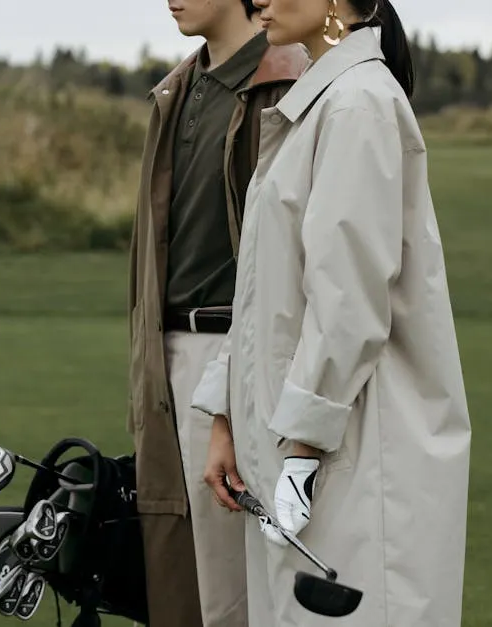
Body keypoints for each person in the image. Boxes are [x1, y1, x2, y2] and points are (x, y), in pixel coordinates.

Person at [191, 1, 473, 626]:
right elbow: (264, 290)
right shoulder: (320, 102)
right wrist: (226, 416)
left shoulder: (357, 103)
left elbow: (349, 299)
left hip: (351, 451)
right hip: (296, 447)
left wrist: (305, 445)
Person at [126, 0, 309, 625]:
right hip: (168, 357)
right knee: (186, 578)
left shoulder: (288, 81)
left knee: (234, 591)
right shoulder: (179, 87)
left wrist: (232, 392)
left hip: (239, 357)